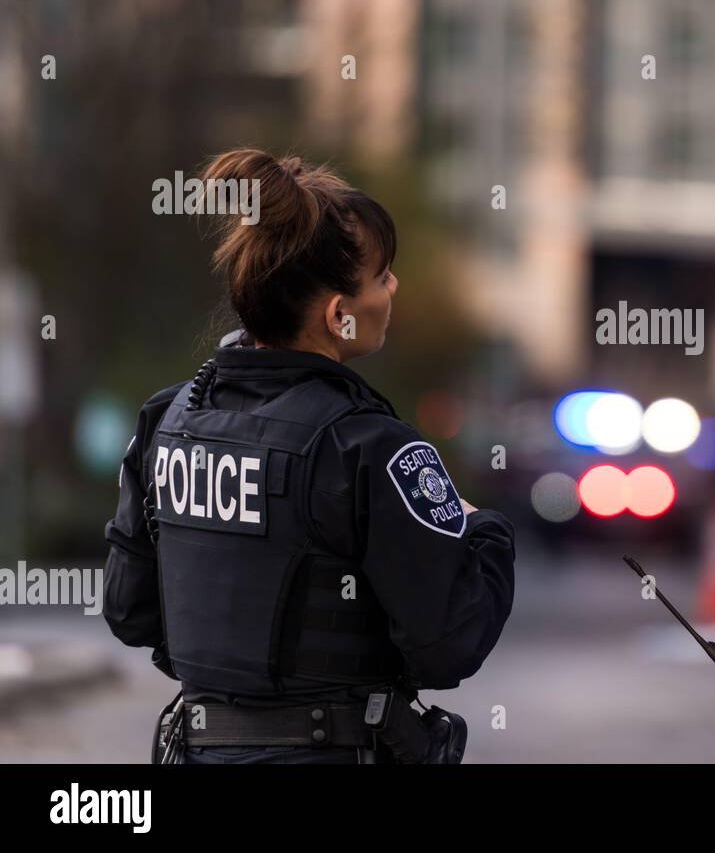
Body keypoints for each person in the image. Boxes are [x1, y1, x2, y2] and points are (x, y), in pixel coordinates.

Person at [102, 149, 515, 763]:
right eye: (382, 276)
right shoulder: (370, 448)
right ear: (337, 315)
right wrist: (483, 531)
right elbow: (448, 644)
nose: (394, 286)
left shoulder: (166, 420)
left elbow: (129, 613)